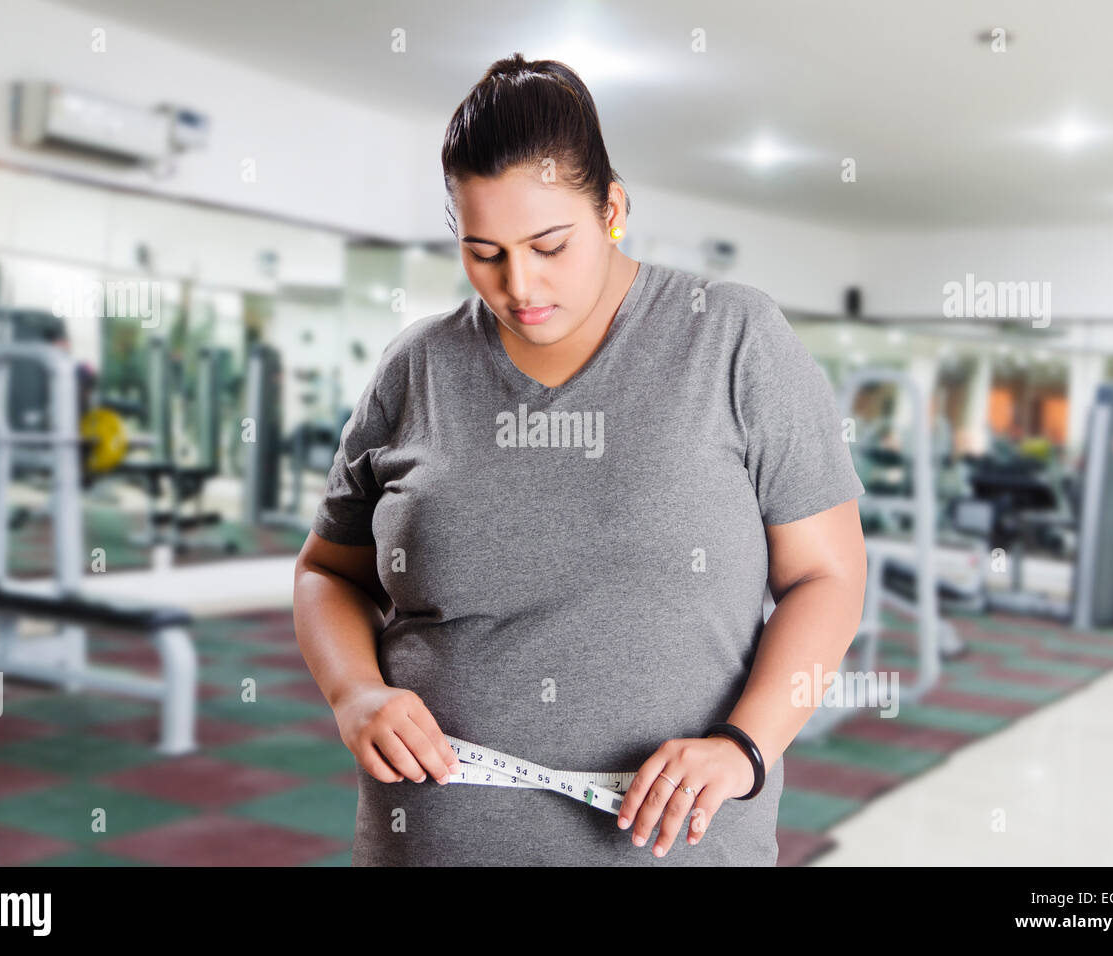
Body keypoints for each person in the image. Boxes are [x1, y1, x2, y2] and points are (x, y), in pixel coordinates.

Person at [292, 53, 867, 866]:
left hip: (675, 846)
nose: (518, 285)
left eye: (549, 244)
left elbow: (829, 578)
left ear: (614, 209)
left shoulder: (733, 339)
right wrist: (355, 693)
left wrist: (743, 748)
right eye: (483, 251)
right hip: (435, 839)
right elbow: (327, 573)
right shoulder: (416, 367)